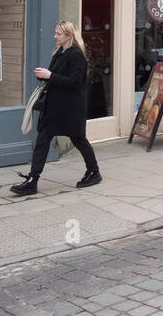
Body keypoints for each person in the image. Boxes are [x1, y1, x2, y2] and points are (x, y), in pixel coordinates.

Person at [12, 20, 101, 195]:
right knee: (43, 140)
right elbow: (56, 76)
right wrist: (44, 76)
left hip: (70, 108)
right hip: (54, 107)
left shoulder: (76, 55)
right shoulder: (59, 52)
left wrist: (50, 75)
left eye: (58, 34)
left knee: (78, 139)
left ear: (69, 35)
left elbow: (75, 81)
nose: (55, 36)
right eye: (55, 33)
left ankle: (94, 171)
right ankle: (32, 180)